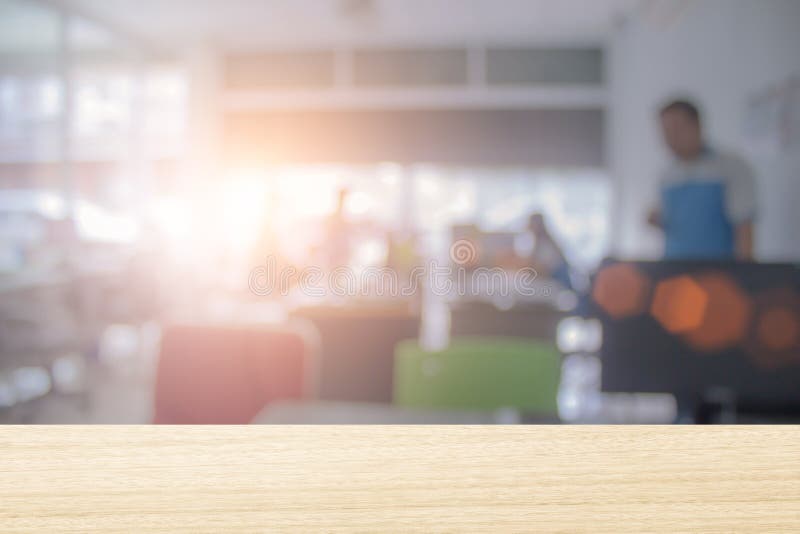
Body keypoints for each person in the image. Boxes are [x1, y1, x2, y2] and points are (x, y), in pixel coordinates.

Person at [648, 99, 757, 260]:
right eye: (666, 132)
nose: (671, 138)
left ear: (697, 126)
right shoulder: (668, 175)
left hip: (717, 273)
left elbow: (744, 226)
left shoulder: (729, 167)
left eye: (677, 130)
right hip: (674, 271)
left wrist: (747, 277)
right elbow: (674, 223)